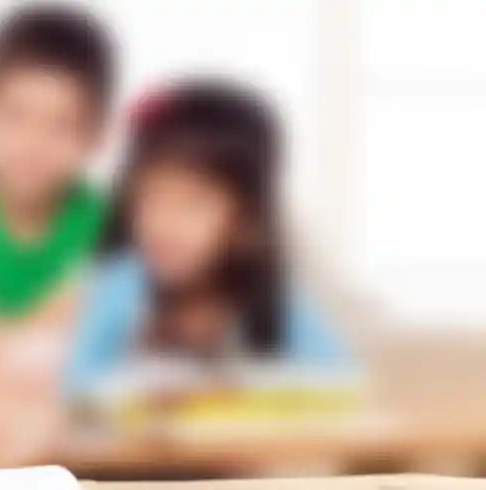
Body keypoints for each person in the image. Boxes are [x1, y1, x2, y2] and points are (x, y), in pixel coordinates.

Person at [65, 80, 349, 399]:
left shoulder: (273, 305)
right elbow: (72, 384)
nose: (164, 224)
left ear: (245, 221)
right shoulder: (121, 288)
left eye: (192, 205)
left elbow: (340, 386)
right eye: (150, 199)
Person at [0, 4, 113, 396]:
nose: (32, 144)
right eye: (16, 116)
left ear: (96, 134)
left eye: (60, 125)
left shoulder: (111, 226)